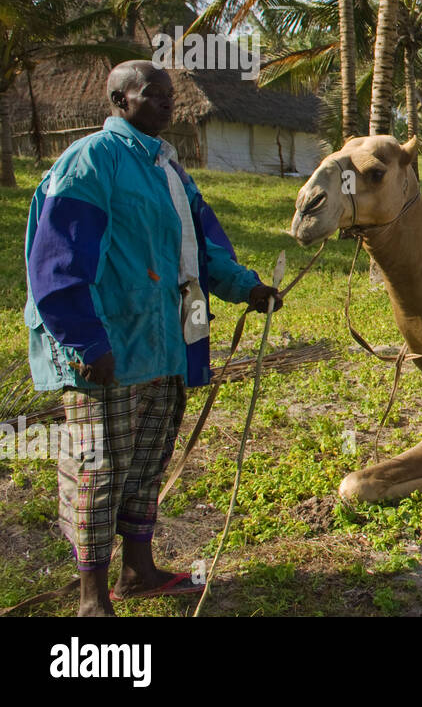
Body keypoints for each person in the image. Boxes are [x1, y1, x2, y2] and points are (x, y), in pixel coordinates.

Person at [23, 59, 280, 617]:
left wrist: (249, 289)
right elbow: (57, 262)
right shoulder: (91, 162)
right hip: (109, 351)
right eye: (152, 95)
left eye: (169, 95)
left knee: (145, 461)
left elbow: (204, 246)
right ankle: (92, 598)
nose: (167, 103)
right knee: (97, 469)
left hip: (167, 345)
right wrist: (86, 342)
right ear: (120, 101)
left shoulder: (169, 168)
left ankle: (138, 571)